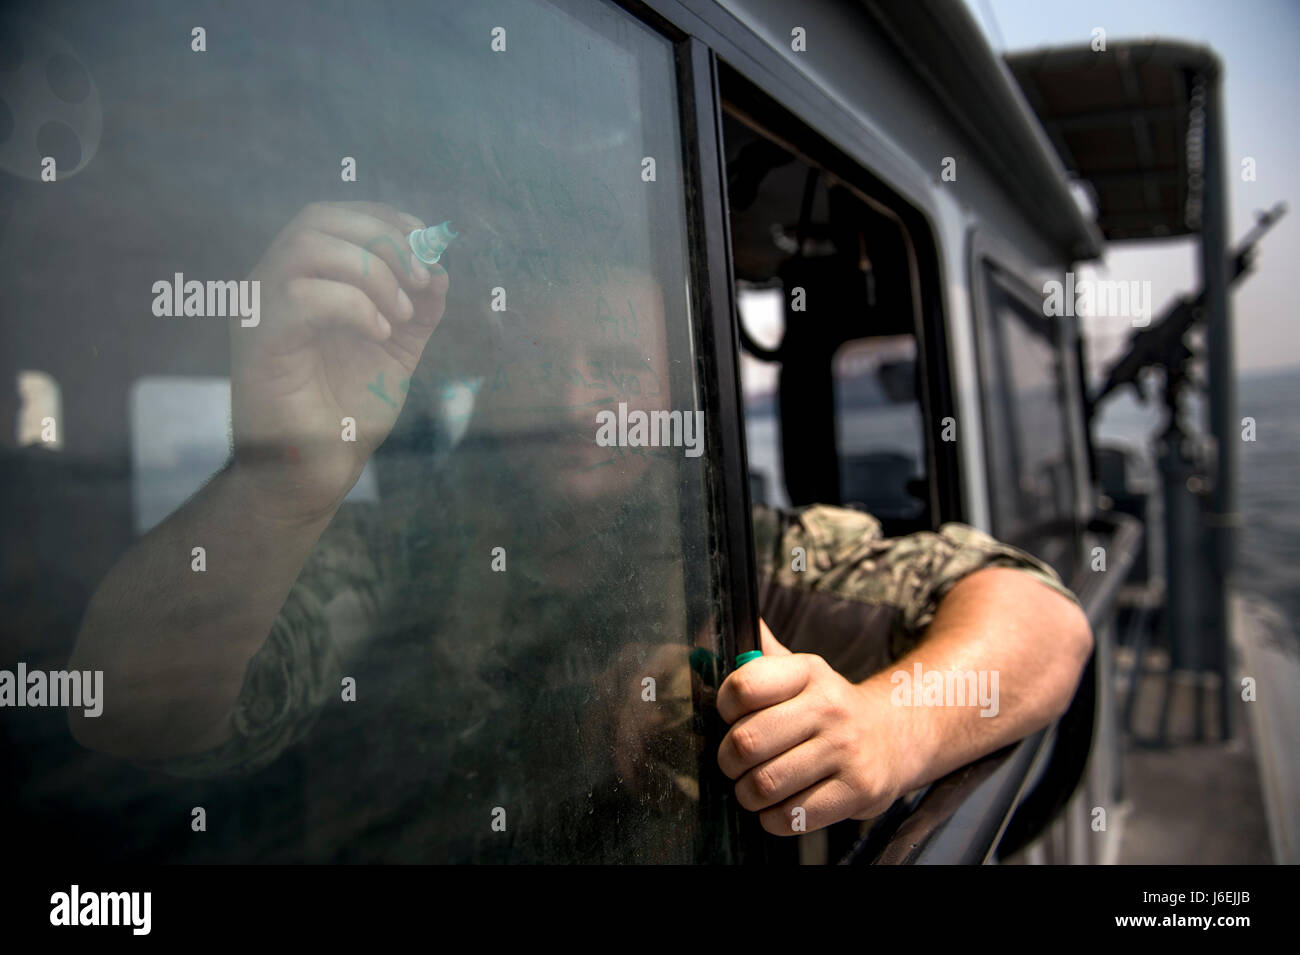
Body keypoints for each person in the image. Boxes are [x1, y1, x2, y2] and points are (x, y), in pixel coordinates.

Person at [66, 200, 1091, 861]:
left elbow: (1041, 619)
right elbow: (128, 713)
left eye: (611, 364)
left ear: (672, 391)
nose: (568, 400)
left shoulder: (746, 548)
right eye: (534, 364)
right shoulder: (402, 552)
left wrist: (883, 729)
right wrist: (278, 483)